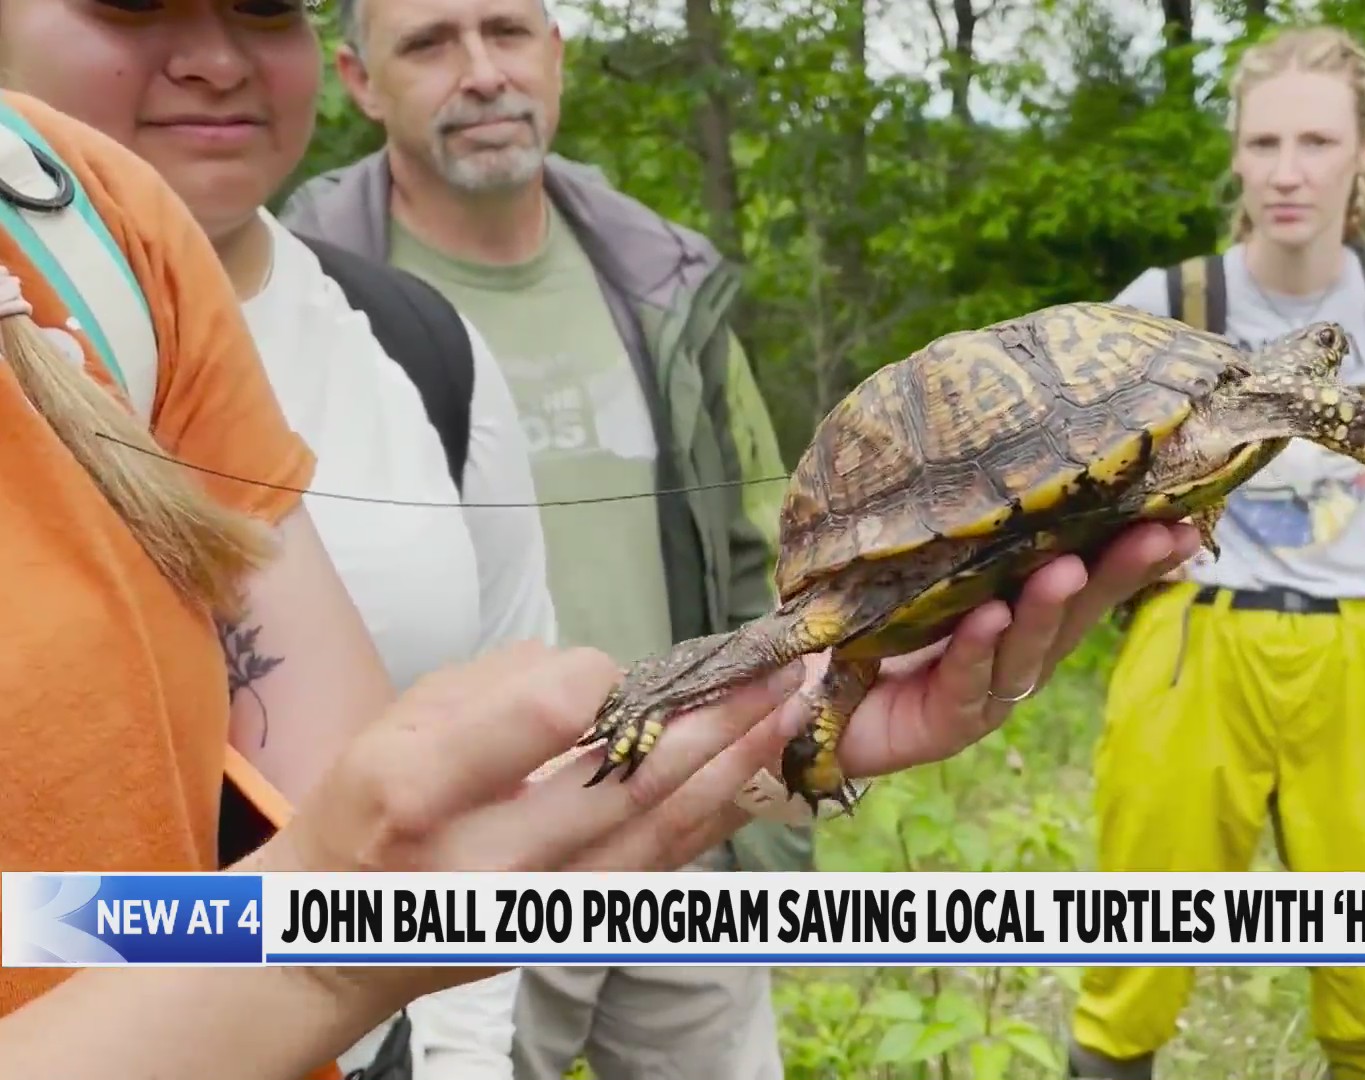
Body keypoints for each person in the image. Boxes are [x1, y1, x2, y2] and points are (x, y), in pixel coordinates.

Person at [0, 67, 1198, 1077]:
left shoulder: (102, 234)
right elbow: (338, 906)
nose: (211, 55)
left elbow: (369, 869)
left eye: (267, 12)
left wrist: (756, 737)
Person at [0, 2, 560, 1075]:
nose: (216, 63)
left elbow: (424, 817)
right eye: (133, 4)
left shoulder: (417, 342)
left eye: (266, 9)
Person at [277, 0, 810, 1073]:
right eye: (430, 42)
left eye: (509, 32)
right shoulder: (291, 295)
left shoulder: (663, 283)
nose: (481, 72)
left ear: (556, 54)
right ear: (359, 80)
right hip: (445, 864)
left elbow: (760, 552)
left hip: (682, 832)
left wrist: (765, 810)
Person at [1067, 25, 1365, 1080]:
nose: (1287, 172)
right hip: (1193, 644)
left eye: (1316, 142)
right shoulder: (1171, 303)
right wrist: (1133, 543)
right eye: (1263, 142)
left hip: (1358, 647)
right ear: (1235, 152)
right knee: (1134, 963)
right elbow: (1073, 452)